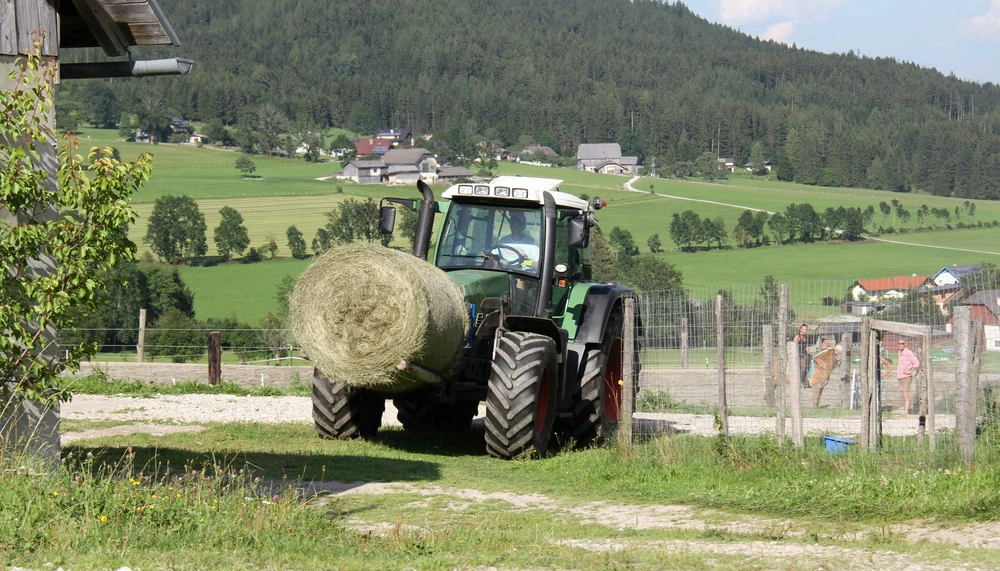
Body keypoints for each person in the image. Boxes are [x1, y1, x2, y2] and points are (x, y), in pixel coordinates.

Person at [896, 338, 920, 414]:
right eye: (899, 344)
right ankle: (906, 410)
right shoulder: (900, 352)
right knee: (903, 394)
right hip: (900, 376)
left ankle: (907, 412)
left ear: (905, 344)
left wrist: (910, 371)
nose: (901, 345)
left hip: (906, 377)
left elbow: (916, 363)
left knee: (906, 394)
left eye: (902, 343)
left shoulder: (909, 352)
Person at [792, 324, 810, 388]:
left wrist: (808, 353)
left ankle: (807, 379)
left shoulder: (805, 337)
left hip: (805, 354)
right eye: (804, 329)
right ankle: (801, 382)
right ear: (800, 329)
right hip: (799, 354)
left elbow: (806, 346)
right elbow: (793, 346)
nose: (805, 331)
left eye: (806, 330)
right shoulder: (797, 337)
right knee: (803, 367)